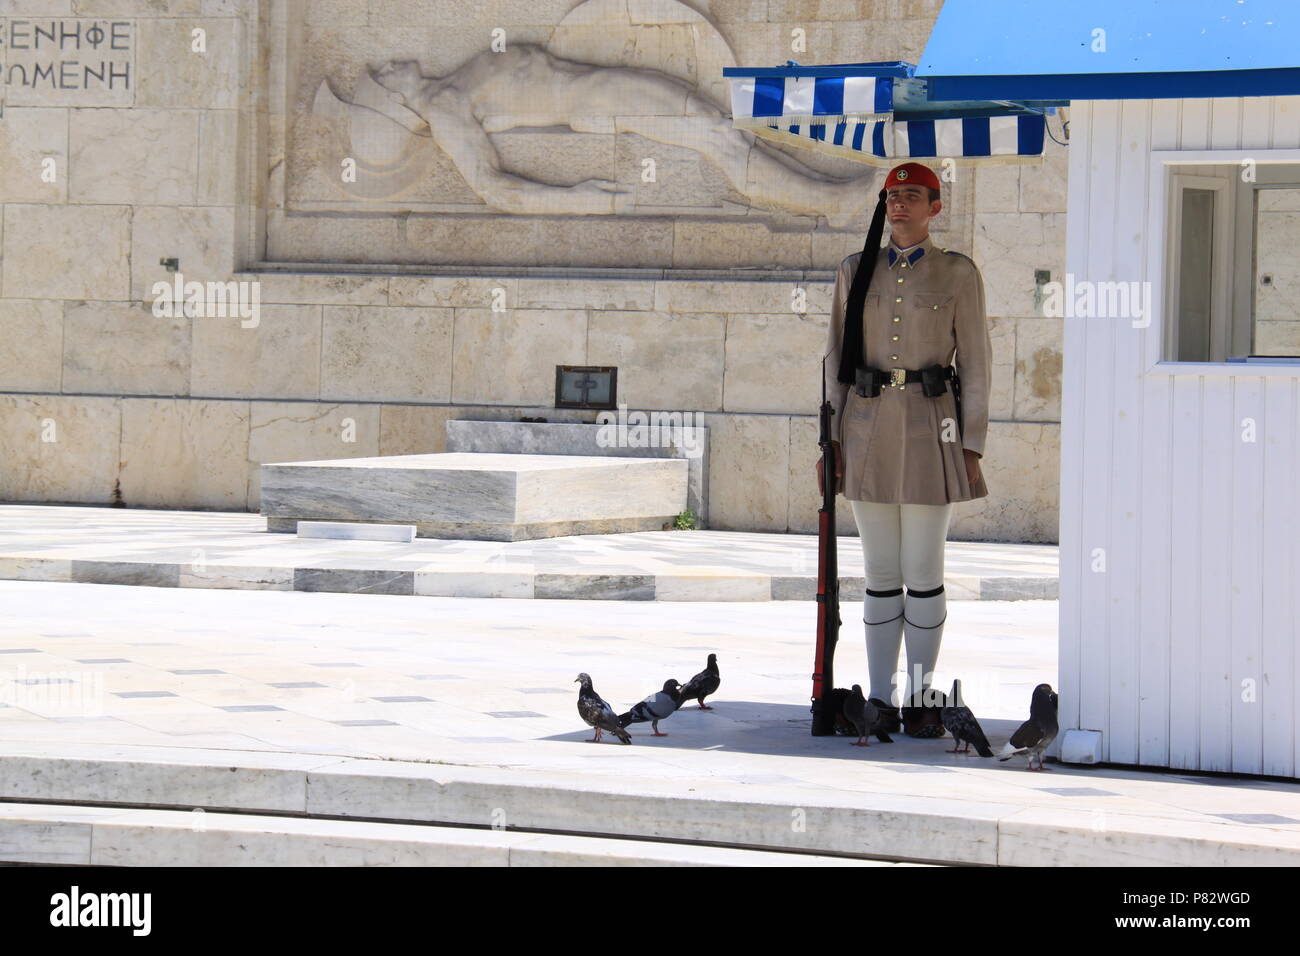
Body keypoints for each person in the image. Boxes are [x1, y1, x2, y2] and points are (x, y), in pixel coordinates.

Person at [818, 161, 992, 738]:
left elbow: (977, 363)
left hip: (929, 428)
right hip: (867, 429)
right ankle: (879, 696)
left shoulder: (956, 273)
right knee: (879, 572)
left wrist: (971, 443)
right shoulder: (854, 270)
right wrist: (833, 439)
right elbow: (835, 359)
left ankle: (920, 695)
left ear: (934, 208)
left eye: (912, 197)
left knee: (924, 569)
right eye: (892, 197)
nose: (899, 205)